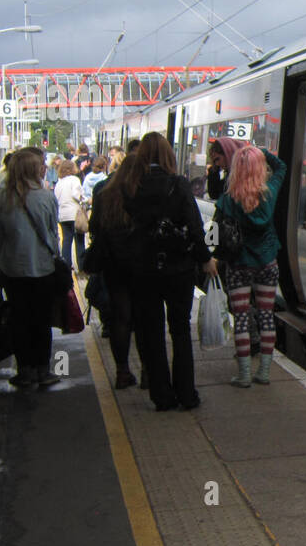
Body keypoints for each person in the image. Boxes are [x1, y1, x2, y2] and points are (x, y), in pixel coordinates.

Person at [124, 133, 217, 410]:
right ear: (168, 155)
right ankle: (187, 394)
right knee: (180, 330)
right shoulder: (178, 184)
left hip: (144, 269)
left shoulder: (131, 186)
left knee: (151, 332)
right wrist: (205, 259)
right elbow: (195, 225)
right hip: (178, 268)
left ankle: (161, 396)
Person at [213, 145, 287, 386]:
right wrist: (264, 152)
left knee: (242, 319)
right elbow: (281, 167)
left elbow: (213, 235)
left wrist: (211, 256)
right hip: (267, 262)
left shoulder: (227, 199)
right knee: (266, 316)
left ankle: (244, 374)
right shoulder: (270, 192)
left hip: (239, 265)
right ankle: (264, 372)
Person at [0, 150, 61, 388]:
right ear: (32, 169)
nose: (44, 168)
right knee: (42, 321)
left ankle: (25, 371)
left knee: (19, 321)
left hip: (13, 271)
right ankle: (43, 370)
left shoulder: (0, 199)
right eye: (40, 165)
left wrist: (2, 260)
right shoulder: (46, 197)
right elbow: (53, 234)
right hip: (43, 269)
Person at [88, 148, 142, 389]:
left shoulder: (105, 193)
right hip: (142, 265)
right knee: (143, 319)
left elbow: (94, 228)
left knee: (120, 318)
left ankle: (122, 371)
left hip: (113, 264)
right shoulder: (143, 193)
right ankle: (149, 372)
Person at [54, 158, 85, 270]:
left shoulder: (59, 183)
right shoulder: (74, 179)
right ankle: (81, 265)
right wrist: (84, 199)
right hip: (75, 214)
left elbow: (56, 198)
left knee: (66, 240)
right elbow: (76, 195)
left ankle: (66, 265)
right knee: (79, 240)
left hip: (62, 215)